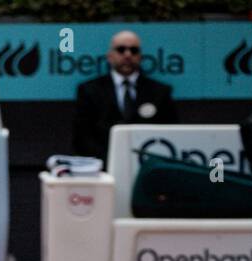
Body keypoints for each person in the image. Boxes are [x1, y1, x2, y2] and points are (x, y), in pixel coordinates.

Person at [72, 30, 178, 162]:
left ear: (140, 56)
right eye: (121, 49)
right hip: (103, 167)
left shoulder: (160, 91)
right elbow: (82, 136)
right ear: (110, 56)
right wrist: (111, 161)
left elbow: (170, 133)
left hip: (147, 166)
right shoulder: (89, 90)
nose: (128, 55)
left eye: (134, 50)